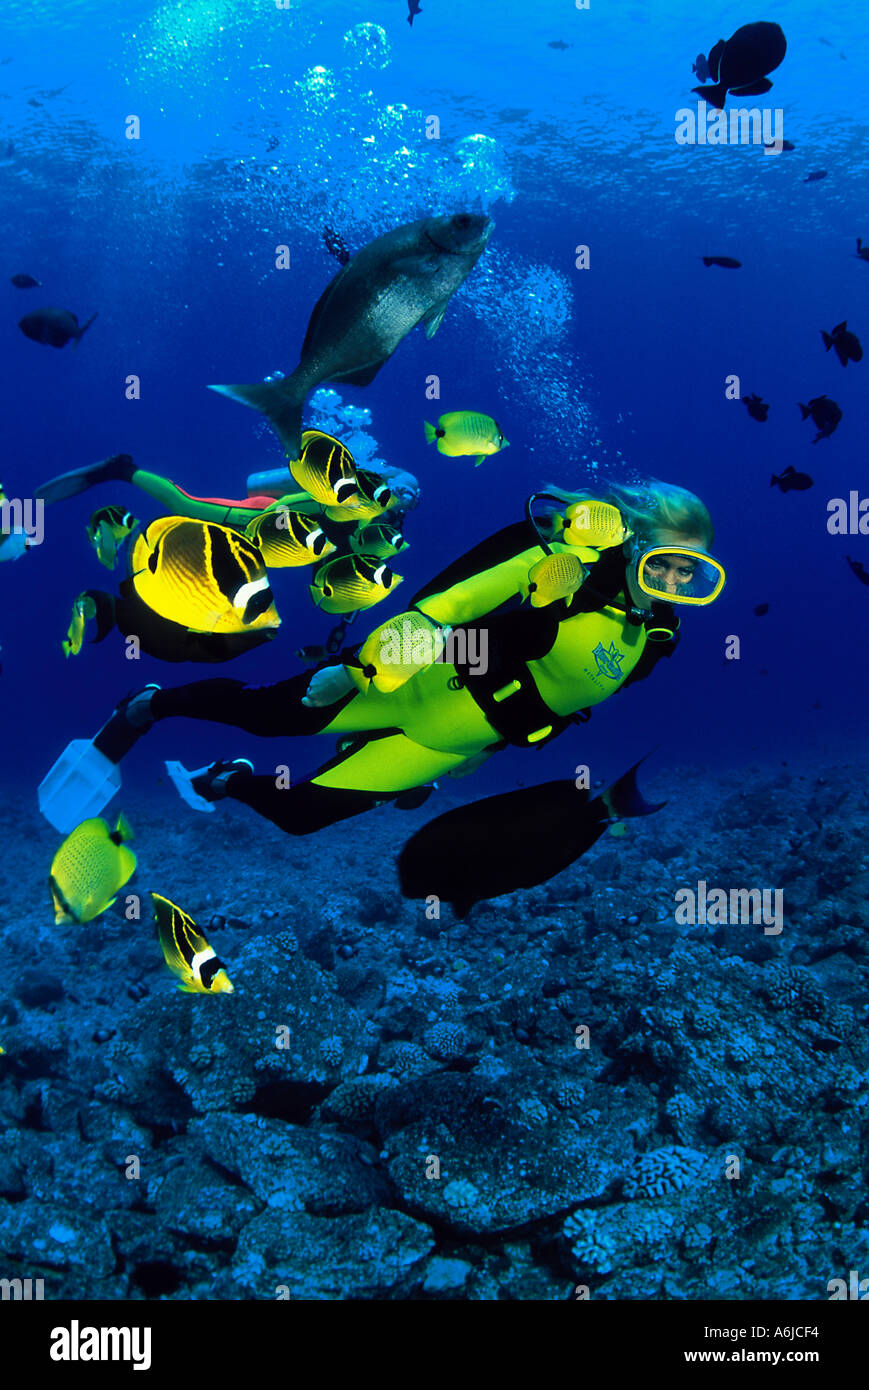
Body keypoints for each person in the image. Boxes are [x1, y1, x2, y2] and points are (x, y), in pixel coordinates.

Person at [117, 480, 726, 835]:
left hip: (448, 742)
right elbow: (447, 607)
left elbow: (560, 698)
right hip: (408, 679)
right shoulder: (568, 568)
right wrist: (351, 670)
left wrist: (480, 753)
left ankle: (230, 778)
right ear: (633, 543)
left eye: (689, 571)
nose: (671, 581)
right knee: (264, 714)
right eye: (663, 562)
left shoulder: (658, 640)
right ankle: (153, 702)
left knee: (299, 816)